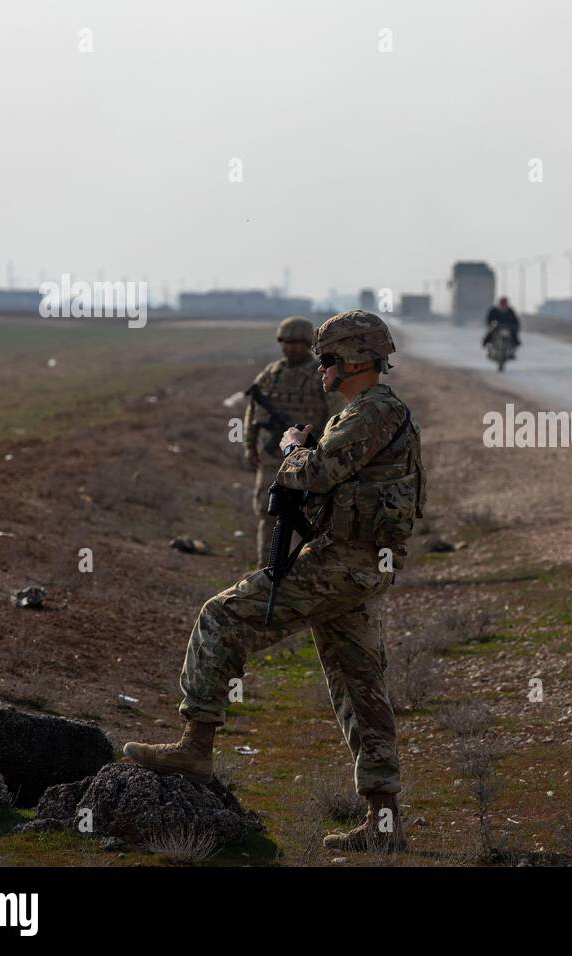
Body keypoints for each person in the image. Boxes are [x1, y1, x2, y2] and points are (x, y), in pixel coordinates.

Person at [124, 310, 426, 854]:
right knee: (359, 686)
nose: (321, 369)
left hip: (340, 566)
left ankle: (195, 745)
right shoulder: (369, 411)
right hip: (354, 567)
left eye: (329, 359)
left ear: (356, 360)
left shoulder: (372, 413)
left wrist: (292, 448)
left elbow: (315, 475)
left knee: (222, 616)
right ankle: (385, 823)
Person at [244, 316, 347, 568]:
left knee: (312, 517)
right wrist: (249, 444)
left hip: (309, 458)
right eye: (286, 342)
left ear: (307, 343)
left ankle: (308, 570)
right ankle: (266, 569)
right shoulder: (271, 374)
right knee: (268, 512)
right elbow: (253, 410)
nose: (291, 348)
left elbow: (337, 413)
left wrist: (328, 448)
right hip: (272, 457)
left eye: (297, 342)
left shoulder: (320, 374)